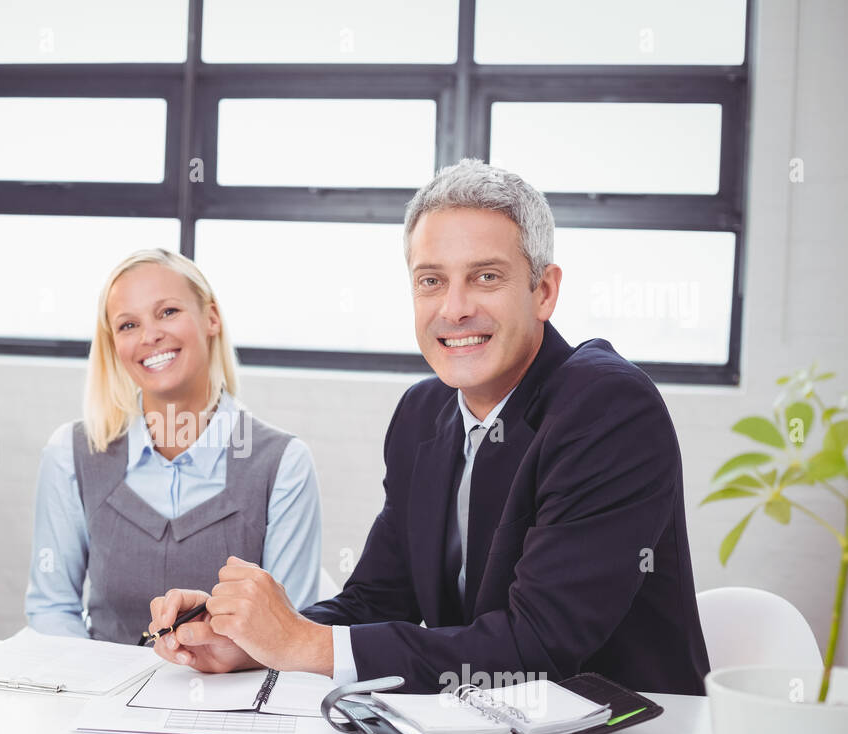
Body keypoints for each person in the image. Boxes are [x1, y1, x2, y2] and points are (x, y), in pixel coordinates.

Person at [146, 159, 711, 695]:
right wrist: (249, 641)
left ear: (543, 291)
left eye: (485, 277)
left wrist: (301, 644)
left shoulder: (608, 407)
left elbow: (538, 646)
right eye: (431, 281)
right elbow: (375, 600)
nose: (455, 308)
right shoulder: (424, 413)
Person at [25, 248, 322, 643]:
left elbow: (288, 632)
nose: (150, 336)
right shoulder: (70, 454)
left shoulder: (283, 464)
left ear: (211, 318)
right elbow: (52, 609)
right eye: (128, 325)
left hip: (230, 701)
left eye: (168, 312)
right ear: (114, 344)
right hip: (98, 695)